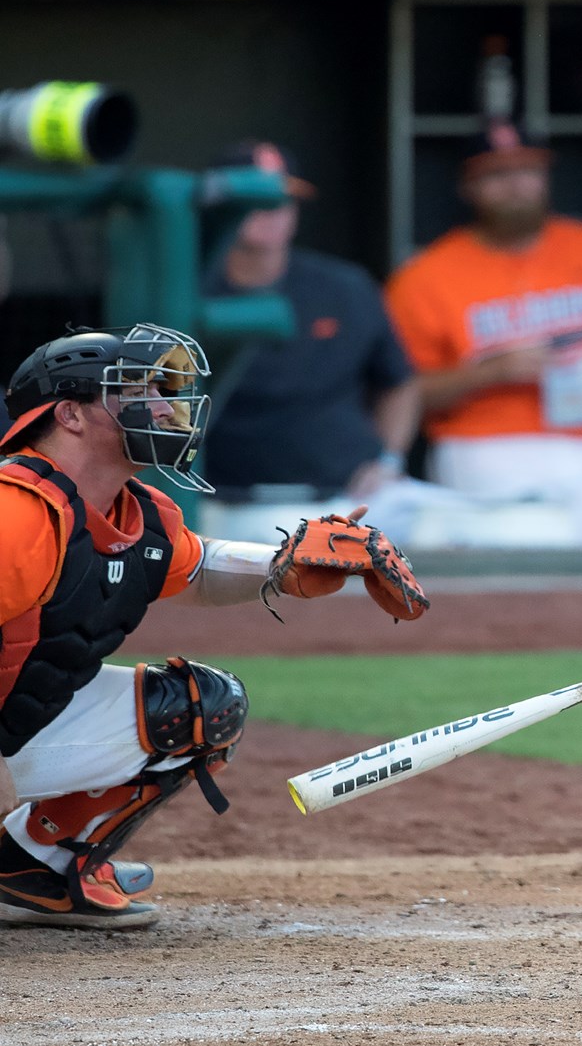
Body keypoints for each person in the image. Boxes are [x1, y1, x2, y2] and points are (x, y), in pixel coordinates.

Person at [0, 324, 428, 929]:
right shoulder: (17, 511)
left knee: (200, 707)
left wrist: (282, 568)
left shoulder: (138, 510)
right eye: (136, 391)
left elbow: (197, 570)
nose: (164, 406)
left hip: (17, 718)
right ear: (69, 414)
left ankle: (34, 867)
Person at [385, 121, 582, 502]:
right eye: (497, 175)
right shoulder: (424, 275)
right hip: (484, 444)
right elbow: (402, 391)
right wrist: (492, 372)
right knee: (525, 536)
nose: (517, 186)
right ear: (467, 186)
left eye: (528, 171)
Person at [197, 141, 425, 530]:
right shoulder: (184, 287)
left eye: (283, 200)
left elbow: (399, 383)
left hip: (346, 499)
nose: (271, 212)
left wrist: (388, 461)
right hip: (223, 504)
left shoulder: (344, 286)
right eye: (256, 200)